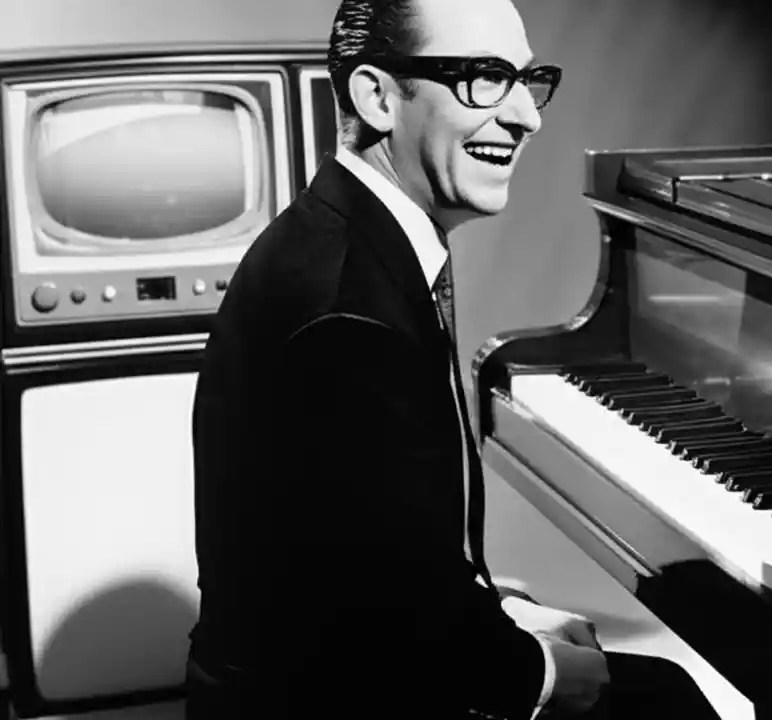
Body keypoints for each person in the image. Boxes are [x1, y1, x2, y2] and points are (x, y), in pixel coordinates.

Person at [185, 0, 722, 718]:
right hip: (317, 700)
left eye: (526, 81)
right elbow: (382, 629)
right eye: (483, 78)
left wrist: (495, 612)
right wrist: (538, 674)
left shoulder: (351, 240)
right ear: (378, 97)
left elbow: (366, 562)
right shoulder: (347, 313)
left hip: (341, 661)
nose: (526, 117)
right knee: (669, 701)